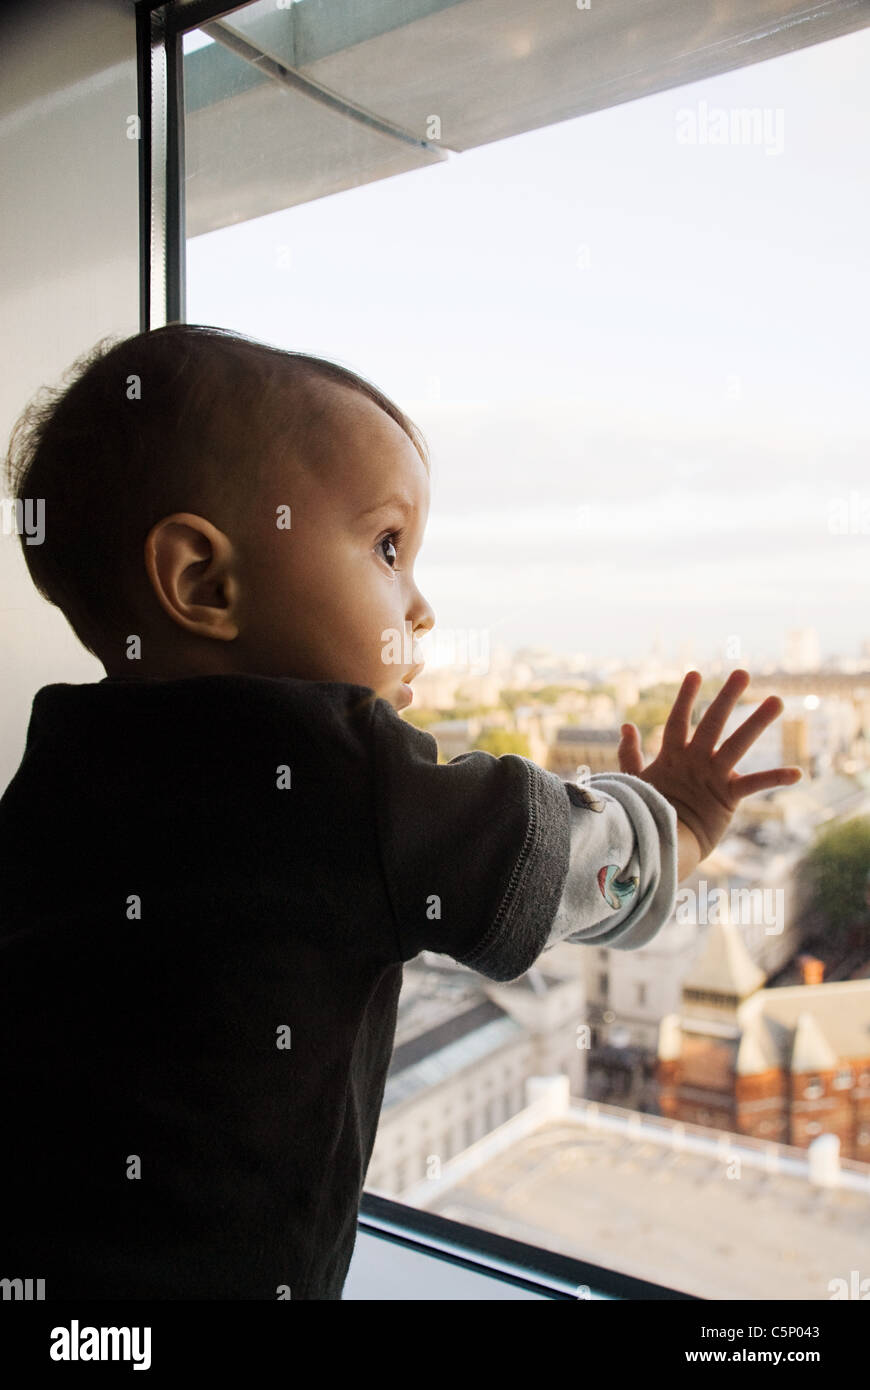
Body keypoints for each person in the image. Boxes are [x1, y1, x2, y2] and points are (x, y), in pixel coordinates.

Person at [0, 323, 801, 1299]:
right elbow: (556, 866)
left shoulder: (66, 752)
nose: (420, 608)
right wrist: (679, 813)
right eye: (388, 546)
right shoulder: (335, 775)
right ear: (206, 581)